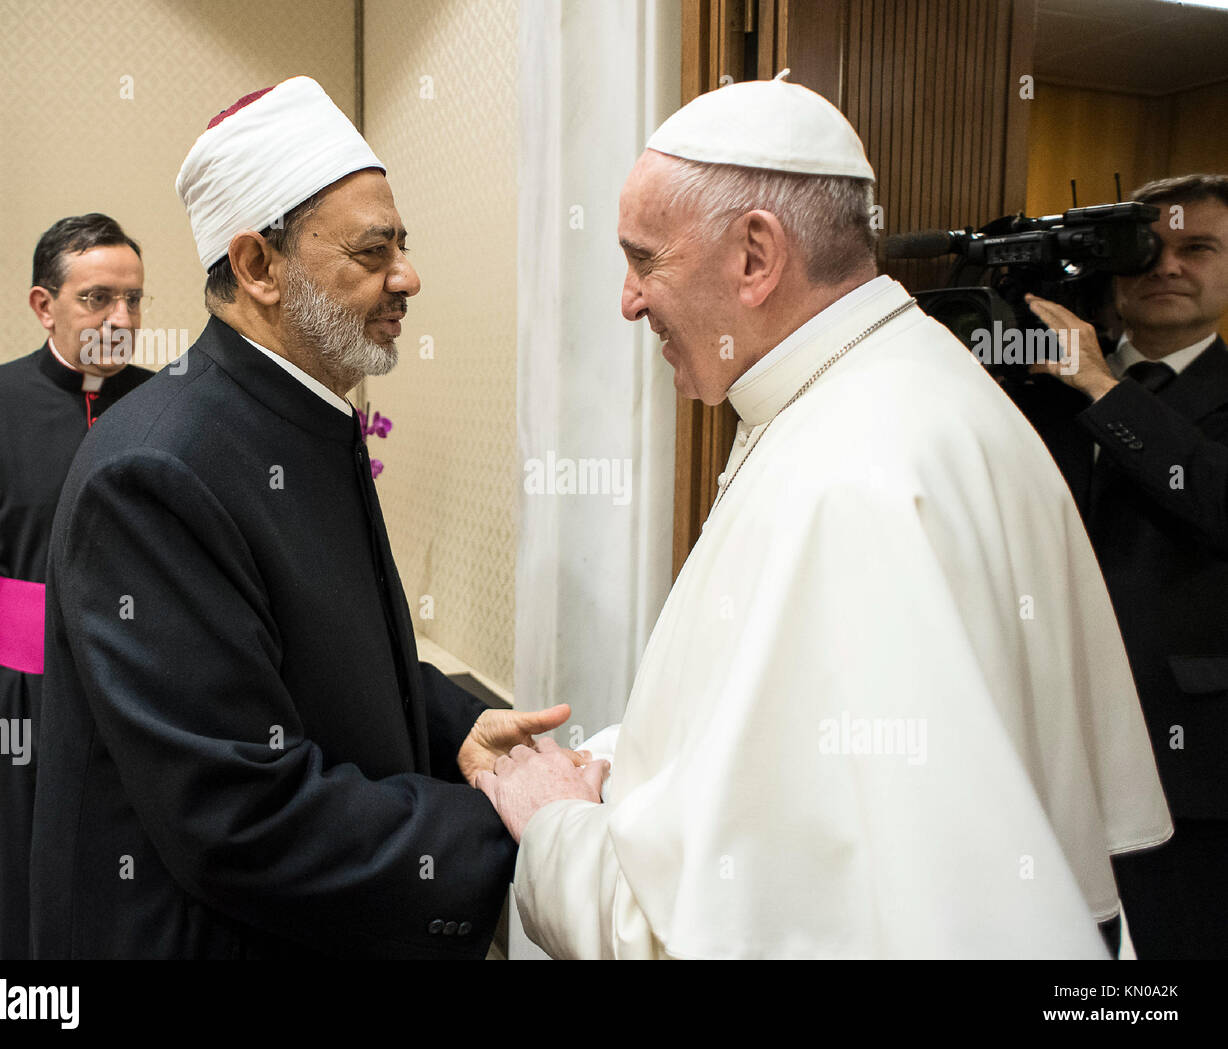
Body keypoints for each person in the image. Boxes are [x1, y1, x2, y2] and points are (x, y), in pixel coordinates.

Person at [476, 75, 1173, 959]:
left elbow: (753, 930)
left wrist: (555, 828)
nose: (628, 299)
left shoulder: (851, 475)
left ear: (756, 256)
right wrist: (623, 764)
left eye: (645, 258)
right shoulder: (909, 384)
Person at [30, 76, 566, 959]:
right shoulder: (155, 471)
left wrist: (453, 727)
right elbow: (241, 816)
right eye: (372, 251)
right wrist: (515, 828)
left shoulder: (301, 412)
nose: (408, 276)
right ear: (257, 267)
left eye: (403, 244)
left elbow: (313, 656)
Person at [0, 213, 153, 958]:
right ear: (42, 304)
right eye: (97, 298)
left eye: (134, 298)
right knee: (21, 880)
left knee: (129, 881)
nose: (120, 319)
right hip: (16, 703)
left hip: (139, 698)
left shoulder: (167, 403)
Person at [1015, 174, 1228, 959]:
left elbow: (1212, 495)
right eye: (1146, 246)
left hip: (1192, 771)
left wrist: (1102, 384)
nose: (1166, 265)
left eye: (1197, 247)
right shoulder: (1041, 390)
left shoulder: (1091, 382)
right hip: (1046, 745)